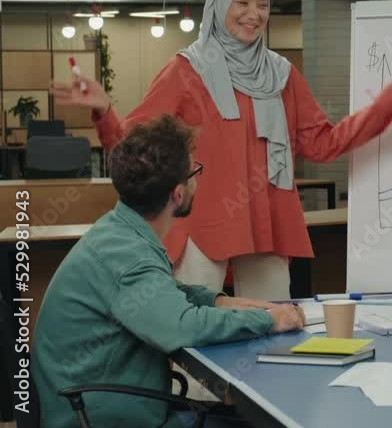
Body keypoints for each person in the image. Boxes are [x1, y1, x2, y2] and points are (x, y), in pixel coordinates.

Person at [52, 0, 392, 300]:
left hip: (268, 223)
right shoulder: (187, 70)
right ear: (219, 5)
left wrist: (385, 105)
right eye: (242, 2)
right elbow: (133, 145)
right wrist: (103, 110)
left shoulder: (282, 75)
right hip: (203, 226)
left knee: (272, 328)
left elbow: (322, 144)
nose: (254, 14)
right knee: (194, 329)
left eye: (263, 4)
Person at [32, 115, 306, 428]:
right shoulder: (130, 256)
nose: (198, 180)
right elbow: (181, 326)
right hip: (101, 418)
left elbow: (165, 294)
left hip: (105, 405)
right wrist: (269, 321)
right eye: (195, 172)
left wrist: (223, 302)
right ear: (177, 194)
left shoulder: (119, 232)